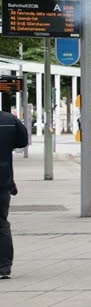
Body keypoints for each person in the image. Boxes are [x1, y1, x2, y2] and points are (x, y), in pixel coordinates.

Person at [0, 108, 30, 279]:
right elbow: (22, 141)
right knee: (1, 224)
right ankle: (4, 268)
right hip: (3, 181)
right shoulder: (9, 119)